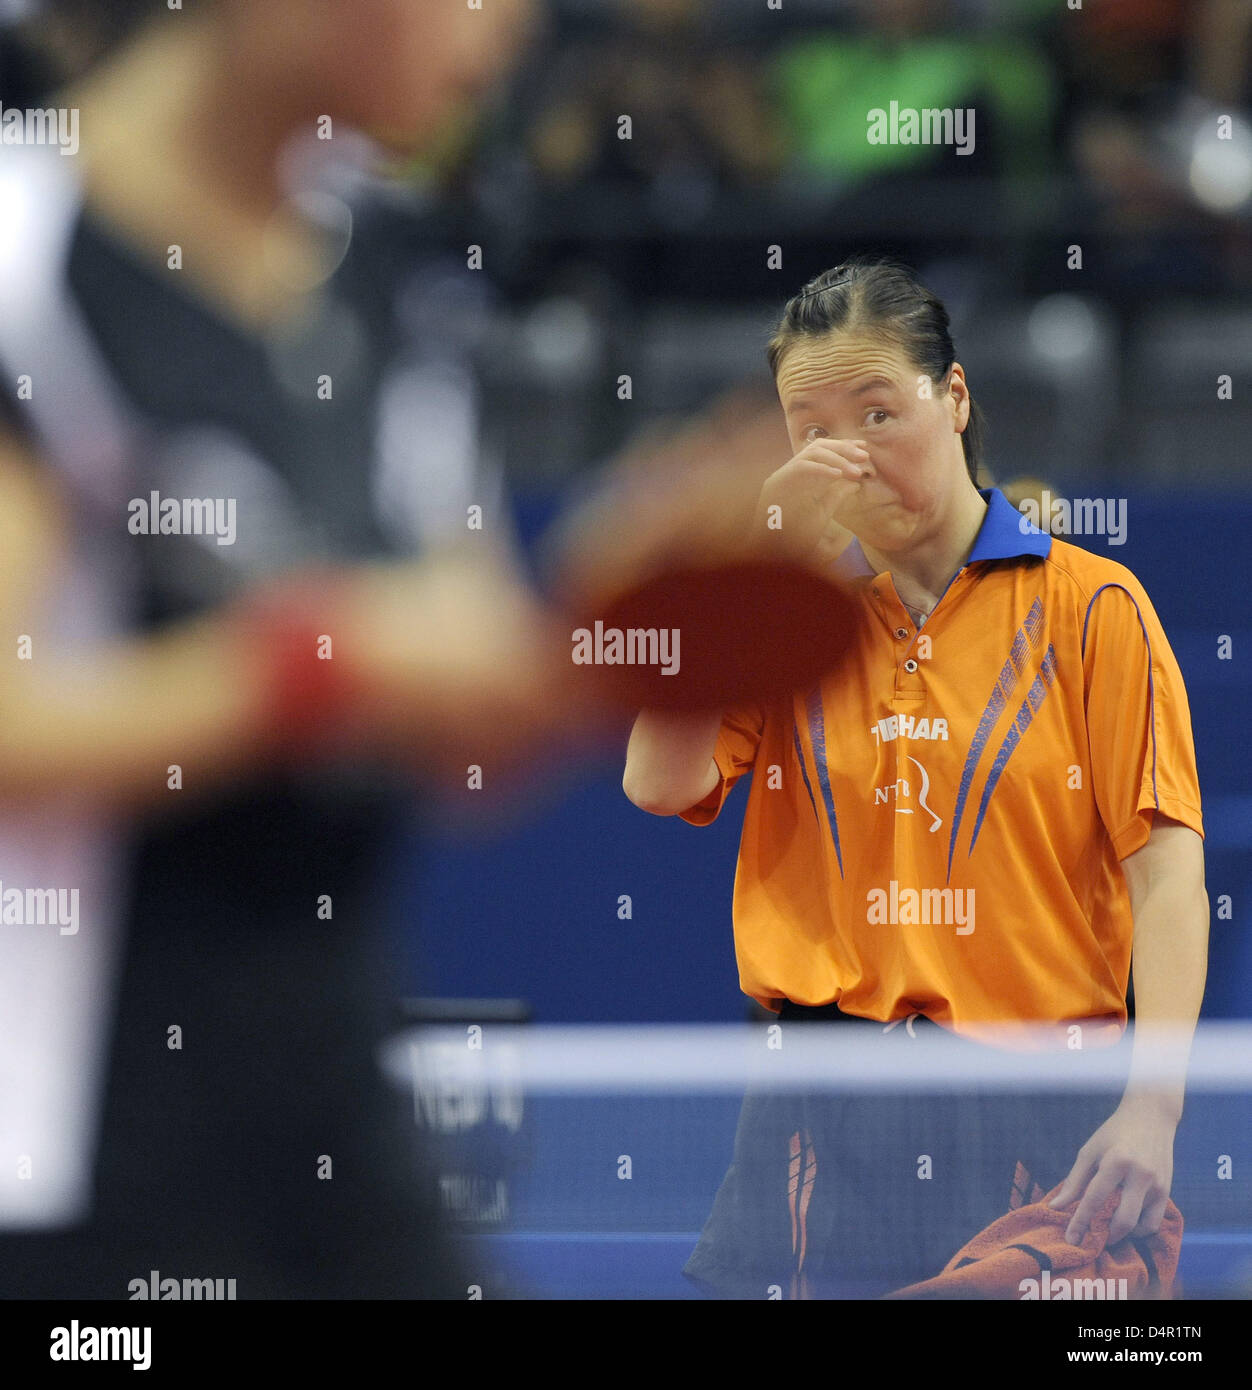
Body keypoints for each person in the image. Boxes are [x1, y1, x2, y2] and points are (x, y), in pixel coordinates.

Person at [0, 0, 570, 1298]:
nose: (507, 33)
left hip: (330, 1138)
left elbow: (469, 752)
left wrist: (620, 629)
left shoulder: (396, 278)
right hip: (61, 1168)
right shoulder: (23, 256)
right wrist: (322, 659)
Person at [622, 255, 1209, 1296]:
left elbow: (1165, 877)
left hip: (1036, 1105)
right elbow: (657, 783)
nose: (846, 454)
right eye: (811, 430)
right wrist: (742, 577)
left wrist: (1154, 1109)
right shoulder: (784, 619)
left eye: (878, 412)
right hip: (818, 1109)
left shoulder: (1093, 606)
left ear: (956, 396)